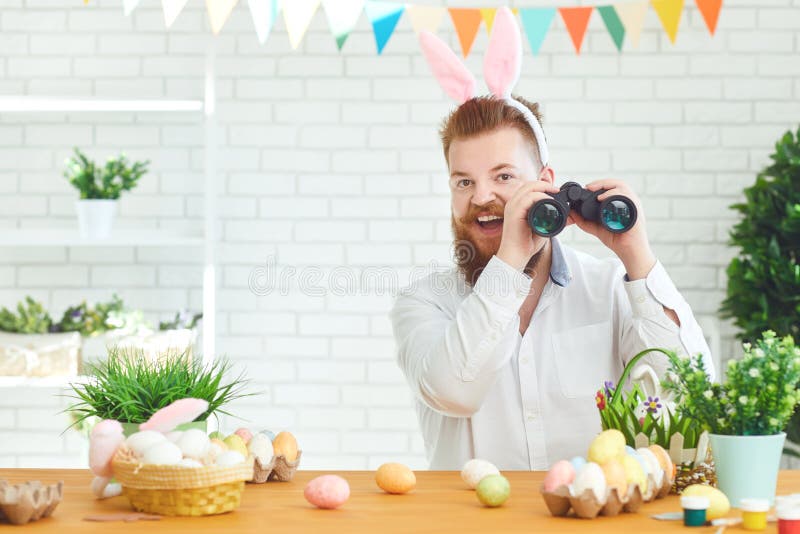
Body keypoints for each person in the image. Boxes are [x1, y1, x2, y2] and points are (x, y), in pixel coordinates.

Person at [389, 8, 713, 470]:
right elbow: (455, 391)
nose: (482, 196)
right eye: (463, 182)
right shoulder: (424, 302)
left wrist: (637, 259)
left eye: (503, 176)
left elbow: (689, 400)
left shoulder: (607, 289)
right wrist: (511, 259)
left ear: (545, 182)